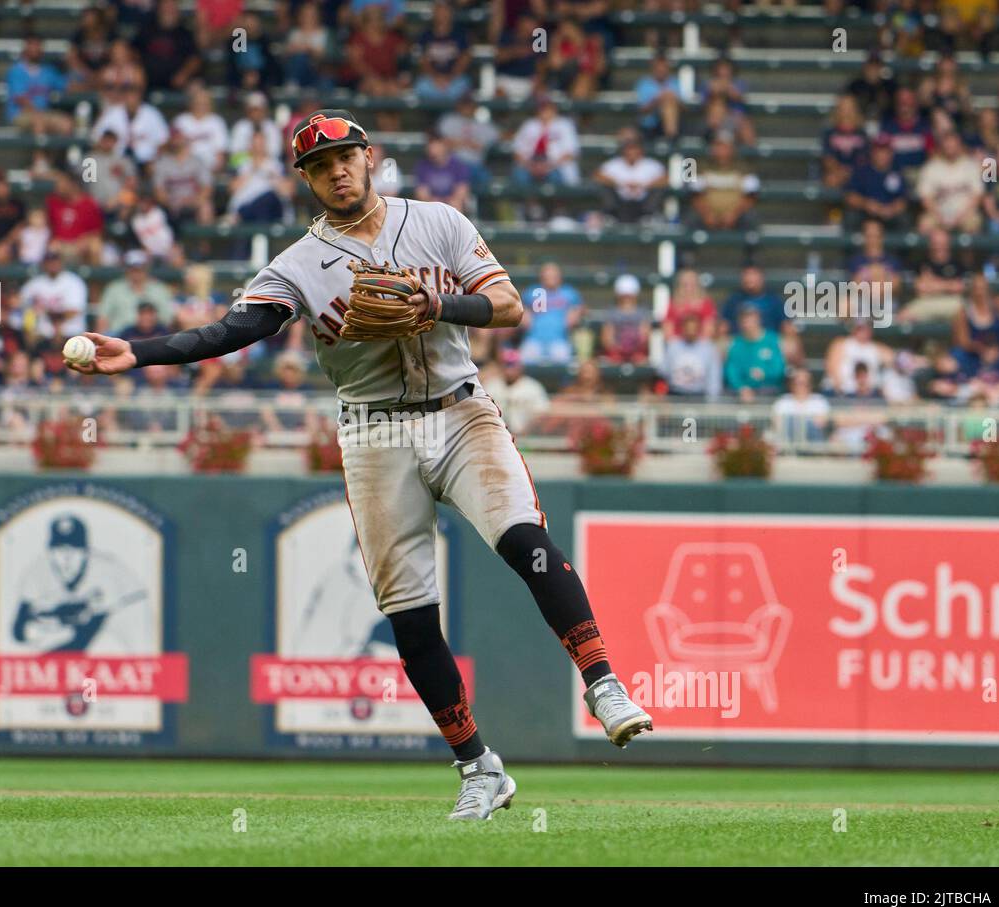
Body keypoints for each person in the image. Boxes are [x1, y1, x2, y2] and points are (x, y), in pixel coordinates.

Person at [66, 108, 653, 818]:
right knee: (409, 616)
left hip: (460, 411)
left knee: (524, 541)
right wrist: (142, 351)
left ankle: (602, 681)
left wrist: (441, 303)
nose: (335, 171)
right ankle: (477, 767)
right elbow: (236, 329)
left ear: (369, 157)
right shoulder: (298, 265)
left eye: (344, 157)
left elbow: (506, 307)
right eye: (318, 166)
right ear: (307, 180)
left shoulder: (438, 222)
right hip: (374, 433)